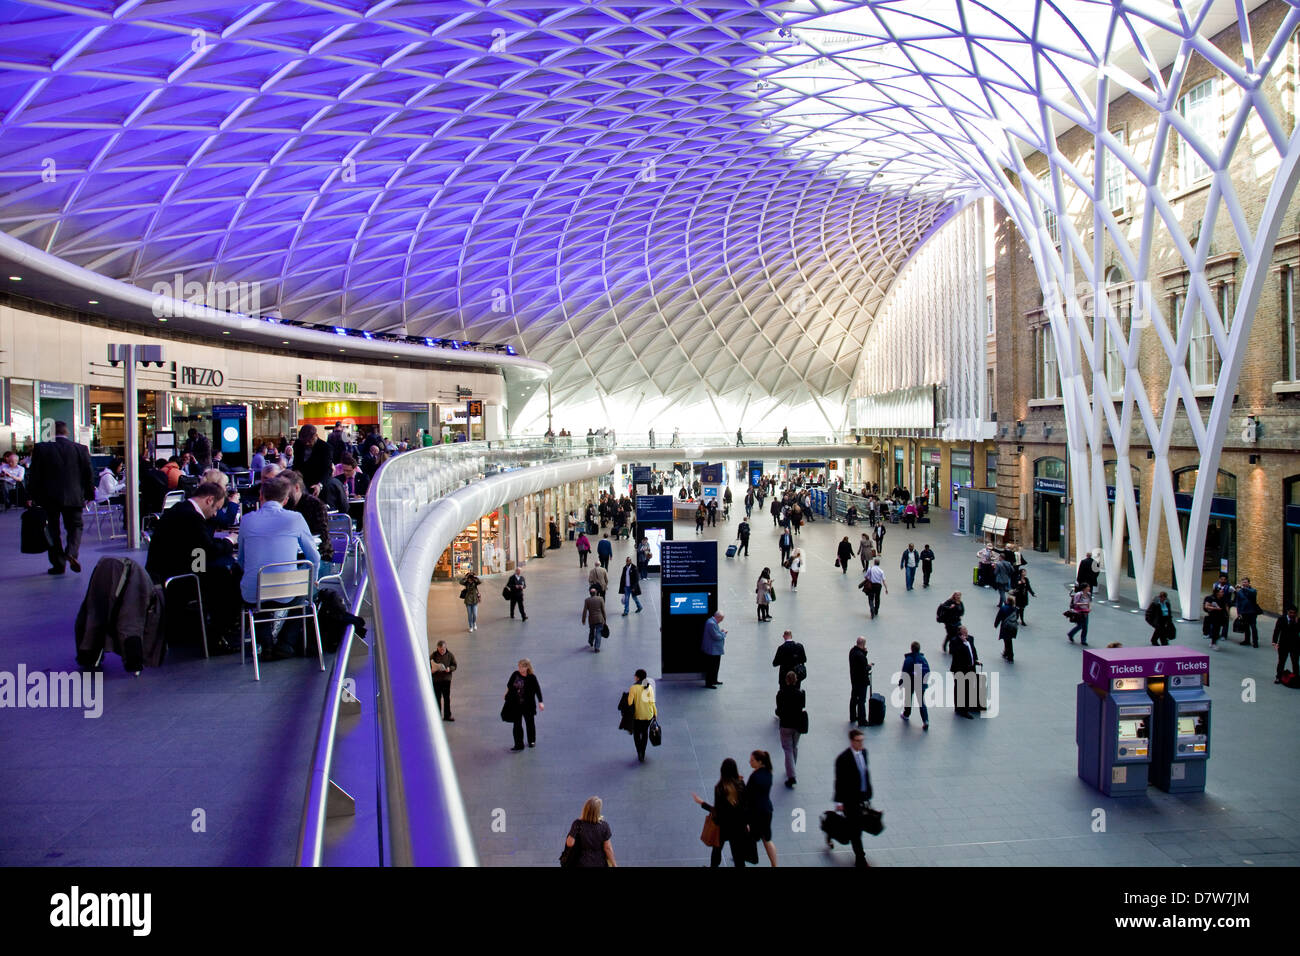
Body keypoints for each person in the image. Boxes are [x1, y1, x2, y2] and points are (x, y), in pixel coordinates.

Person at [144, 480, 241, 652]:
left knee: (220, 574)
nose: (214, 514)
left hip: (165, 570)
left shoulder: (180, 510)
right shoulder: (192, 517)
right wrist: (229, 541)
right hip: (177, 577)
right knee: (226, 580)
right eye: (216, 508)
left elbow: (198, 546)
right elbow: (207, 550)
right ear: (209, 500)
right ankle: (218, 636)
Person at [237, 475, 321, 659]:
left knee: (257, 594)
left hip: (254, 591)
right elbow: (314, 557)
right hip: (287, 591)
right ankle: (286, 642)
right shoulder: (295, 518)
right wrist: (309, 577)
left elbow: (241, 560)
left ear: (261, 496)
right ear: (286, 499)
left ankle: (264, 641)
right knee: (307, 592)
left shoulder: (247, 520)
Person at [25, 421, 95, 575]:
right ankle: (71, 553)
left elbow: (34, 475)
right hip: (74, 497)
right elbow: (88, 474)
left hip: (49, 498)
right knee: (75, 527)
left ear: (51, 433)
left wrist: (31, 496)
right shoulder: (80, 449)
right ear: (67, 432)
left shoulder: (41, 448)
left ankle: (58, 564)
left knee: (52, 530)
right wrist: (89, 494)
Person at [692, 759, 752, 867]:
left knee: (716, 851)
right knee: (738, 857)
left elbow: (718, 812)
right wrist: (746, 823)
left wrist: (702, 803)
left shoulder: (719, 788)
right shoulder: (741, 784)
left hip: (723, 827)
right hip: (738, 827)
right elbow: (746, 807)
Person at [832, 729, 873, 868]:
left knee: (855, 827)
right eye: (858, 740)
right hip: (850, 800)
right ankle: (860, 859)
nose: (861, 743)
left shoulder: (864, 753)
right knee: (856, 831)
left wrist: (868, 793)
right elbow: (839, 781)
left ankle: (830, 832)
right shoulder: (843, 759)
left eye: (862, 740)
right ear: (851, 741)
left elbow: (865, 773)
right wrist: (839, 802)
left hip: (862, 797)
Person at [562, 796, 617, 868]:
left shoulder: (578, 824)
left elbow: (570, 844)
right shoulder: (604, 826)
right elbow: (607, 848)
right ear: (597, 812)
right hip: (599, 862)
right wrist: (614, 864)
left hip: (581, 862)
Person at [745, 751, 777, 867]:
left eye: (752, 760)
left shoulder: (755, 776)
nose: (750, 762)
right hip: (767, 810)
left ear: (760, 762)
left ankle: (746, 857)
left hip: (756, 813)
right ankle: (774, 864)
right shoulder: (769, 773)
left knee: (748, 836)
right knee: (767, 839)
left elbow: (747, 795)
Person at [504, 658, 543, 751]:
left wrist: (540, 702)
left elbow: (537, 690)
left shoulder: (532, 678)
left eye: (521, 667)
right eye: (519, 666)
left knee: (530, 723)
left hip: (528, 705)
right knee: (517, 724)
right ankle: (518, 744)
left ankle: (531, 741)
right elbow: (509, 685)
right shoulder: (515, 674)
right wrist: (506, 693)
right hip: (516, 704)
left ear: (526, 667)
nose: (519, 668)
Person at [624, 669, 657, 762]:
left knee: (637, 734)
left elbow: (630, 703)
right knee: (645, 732)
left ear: (637, 677)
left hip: (637, 716)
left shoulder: (633, 688)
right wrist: (655, 713)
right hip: (648, 715)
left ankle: (639, 752)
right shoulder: (649, 687)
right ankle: (643, 751)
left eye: (635, 675)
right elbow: (652, 702)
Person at [292, 424, 334, 493]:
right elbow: (296, 463)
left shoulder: (326, 448)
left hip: (317, 484)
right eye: (305, 441)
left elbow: (327, 470)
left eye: (309, 441)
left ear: (315, 436)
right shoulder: (298, 444)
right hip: (300, 483)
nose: (307, 444)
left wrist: (320, 485)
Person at [950, 627, 980, 718]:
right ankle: (962, 709)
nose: (966, 635)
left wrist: (975, 660)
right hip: (960, 669)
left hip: (970, 668)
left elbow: (972, 650)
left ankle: (963, 707)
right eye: (964, 634)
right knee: (960, 688)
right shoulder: (955, 641)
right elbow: (955, 652)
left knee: (967, 689)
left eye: (966, 633)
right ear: (960, 634)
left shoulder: (970, 638)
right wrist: (963, 643)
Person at [899, 641, 930, 729]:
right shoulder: (923, 658)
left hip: (911, 682)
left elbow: (904, 672)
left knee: (908, 698)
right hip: (921, 682)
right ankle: (925, 720)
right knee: (921, 702)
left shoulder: (908, 659)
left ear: (911, 649)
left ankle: (906, 714)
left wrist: (901, 682)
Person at [430, 640, 457, 722]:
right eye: (440, 649)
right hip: (436, 680)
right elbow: (427, 665)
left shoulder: (450, 655)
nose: (442, 651)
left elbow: (454, 665)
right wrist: (431, 670)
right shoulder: (433, 656)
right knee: (437, 698)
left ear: (445, 648)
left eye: (443, 649)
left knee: (446, 698)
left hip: (446, 680)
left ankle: (447, 716)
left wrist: (449, 669)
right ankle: (437, 716)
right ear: (437, 648)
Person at [848, 636, 871, 727]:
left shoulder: (852, 652)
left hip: (854, 679)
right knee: (861, 700)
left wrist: (864, 653)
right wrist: (868, 666)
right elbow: (864, 668)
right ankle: (862, 720)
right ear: (864, 644)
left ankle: (853, 716)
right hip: (862, 681)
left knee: (854, 698)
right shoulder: (861, 656)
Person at [1273, 606, 1300, 683]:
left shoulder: (1297, 620)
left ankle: (1296, 677)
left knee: (1295, 662)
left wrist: (1297, 622)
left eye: (1294, 613)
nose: (1292, 614)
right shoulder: (1281, 619)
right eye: (1290, 612)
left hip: (1295, 644)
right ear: (1287, 612)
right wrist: (1274, 641)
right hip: (1283, 644)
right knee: (1281, 661)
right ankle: (1278, 677)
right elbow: (1277, 630)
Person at [701, 611, 726, 688]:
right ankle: (709, 683)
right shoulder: (711, 624)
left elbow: (715, 633)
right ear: (717, 617)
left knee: (715, 666)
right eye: (721, 619)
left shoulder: (712, 622)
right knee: (711, 667)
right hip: (712, 650)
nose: (721, 621)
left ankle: (714, 680)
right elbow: (716, 636)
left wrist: (720, 632)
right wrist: (724, 633)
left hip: (715, 650)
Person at [1235, 578, 1260, 648]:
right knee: (1246, 627)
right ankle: (1247, 640)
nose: (1244, 584)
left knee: (1253, 627)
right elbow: (1238, 603)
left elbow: (1253, 594)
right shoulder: (1239, 592)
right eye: (1243, 582)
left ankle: (1255, 642)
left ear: (1249, 583)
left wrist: (1244, 588)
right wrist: (1239, 613)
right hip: (1244, 612)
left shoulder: (1253, 590)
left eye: (1245, 582)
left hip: (1252, 612)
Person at [994, 594, 1019, 661]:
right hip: (1013, 627)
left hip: (1005, 627)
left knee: (1007, 641)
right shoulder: (1015, 609)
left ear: (1007, 601)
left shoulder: (1003, 608)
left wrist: (996, 624)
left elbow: (998, 617)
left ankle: (1010, 655)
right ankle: (1006, 653)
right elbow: (1017, 617)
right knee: (1009, 640)